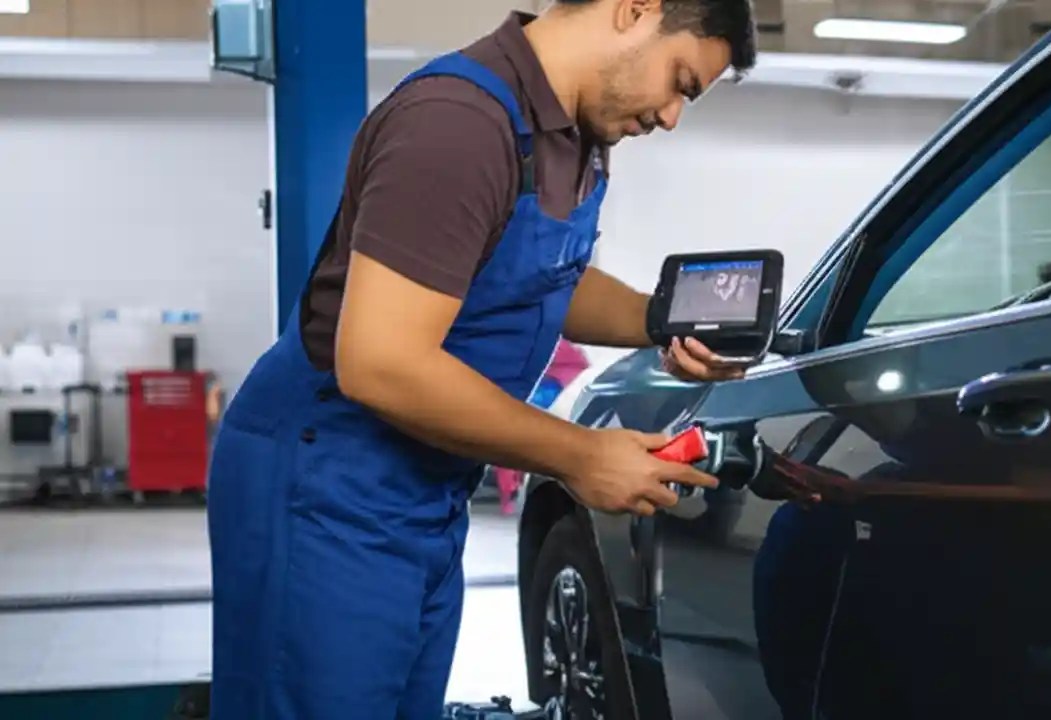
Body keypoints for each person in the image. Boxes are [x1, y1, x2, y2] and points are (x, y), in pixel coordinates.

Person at [205, 1, 758, 719]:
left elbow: (536, 272)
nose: (672, 115)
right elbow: (380, 363)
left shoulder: (574, 136)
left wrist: (659, 320)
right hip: (325, 484)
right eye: (681, 81)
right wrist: (580, 456)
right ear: (635, 9)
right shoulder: (459, 125)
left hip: (424, 492)